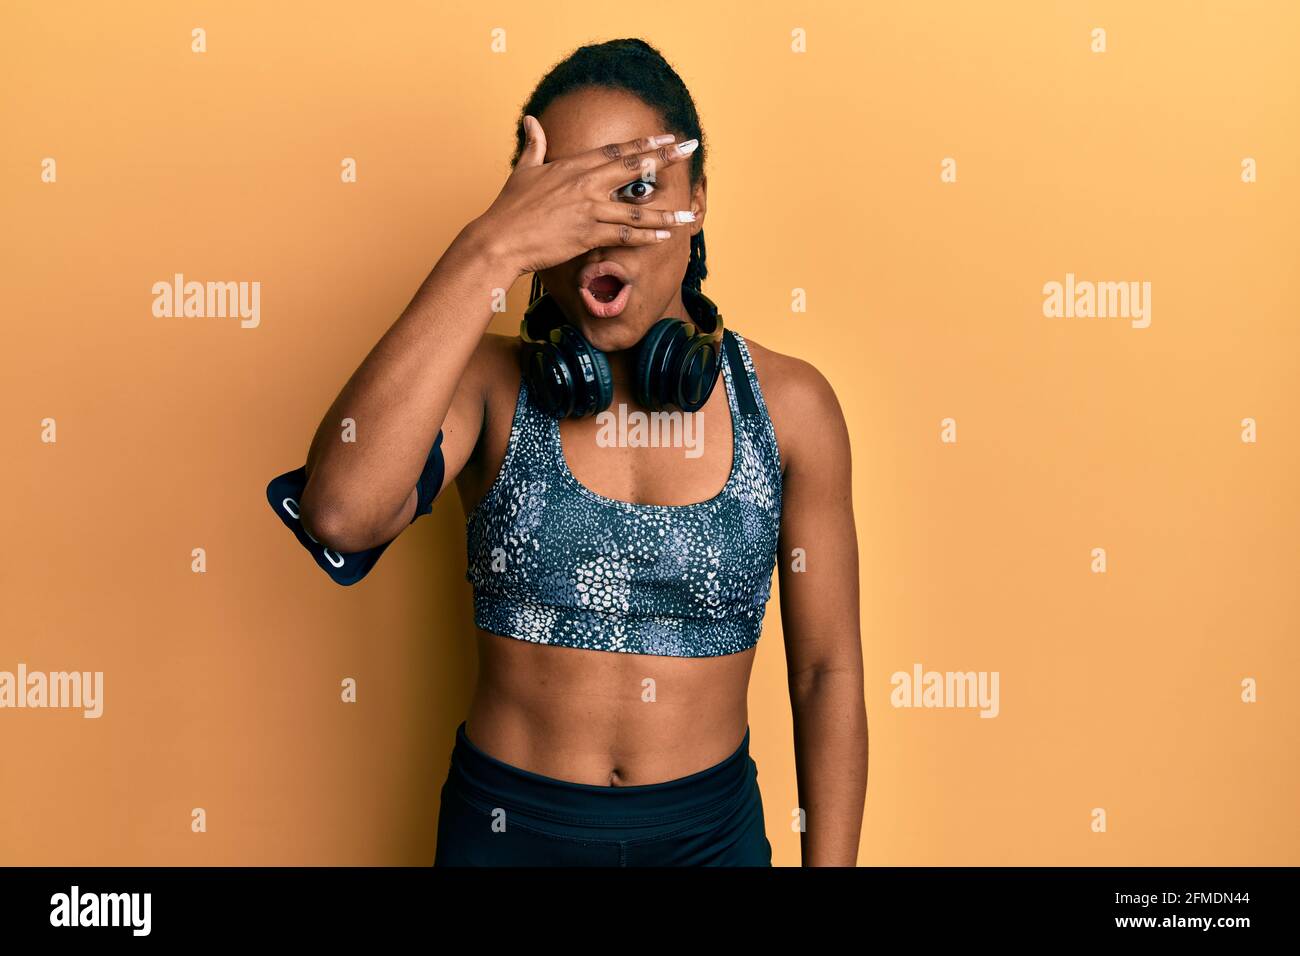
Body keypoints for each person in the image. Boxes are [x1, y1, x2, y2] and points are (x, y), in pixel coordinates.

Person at [281, 38, 866, 866]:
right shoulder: (486, 386)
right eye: (567, 200)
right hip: (506, 834)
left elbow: (826, 673)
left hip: (711, 841)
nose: (601, 230)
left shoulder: (794, 407)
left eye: (634, 190)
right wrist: (491, 249)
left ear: (696, 200)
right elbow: (340, 513)